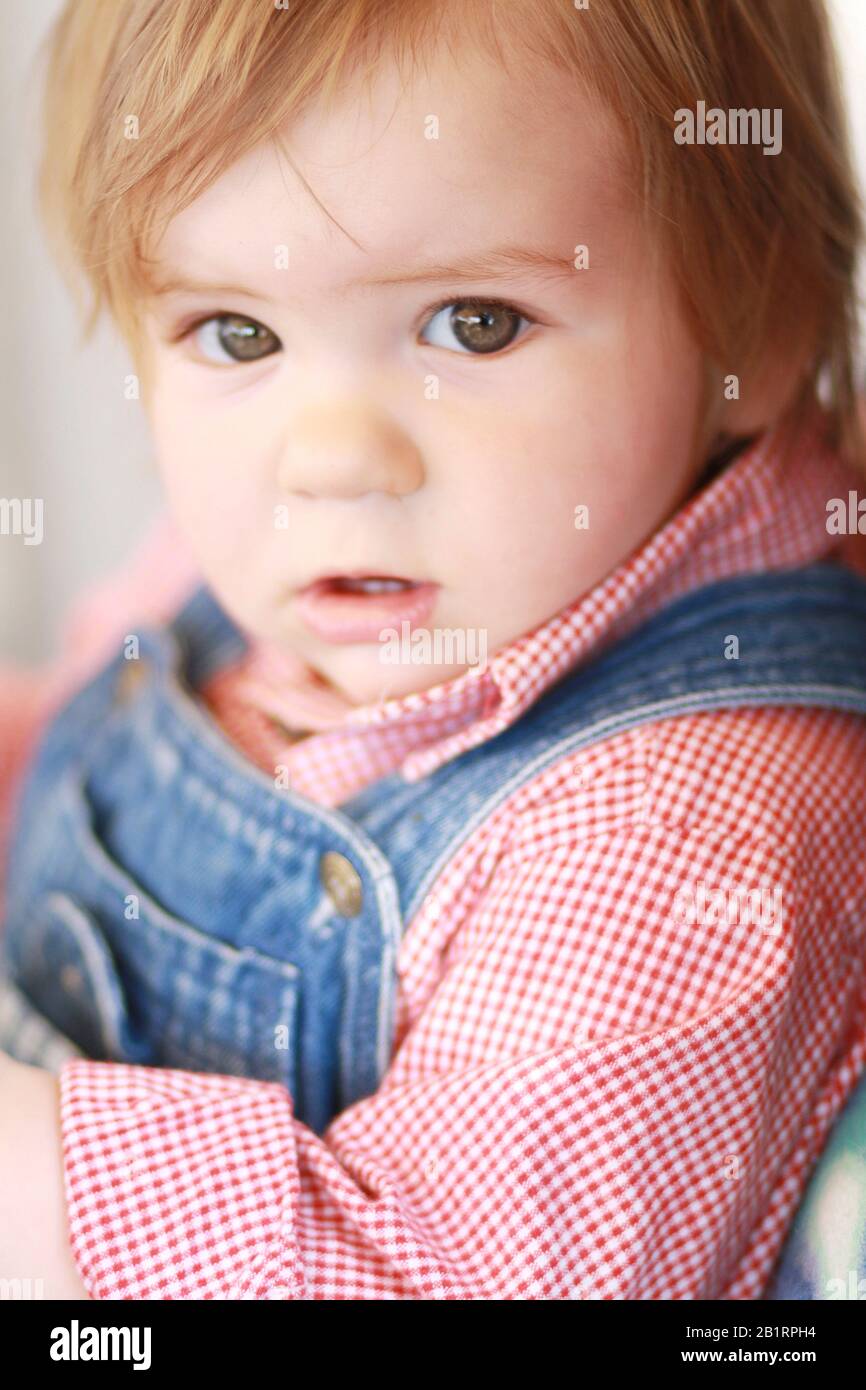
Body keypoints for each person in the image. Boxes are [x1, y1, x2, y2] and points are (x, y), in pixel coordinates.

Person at [1, 0, 865, 1300]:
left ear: (756, 318)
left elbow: (440, 1275)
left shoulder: (683, 831)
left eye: (473, 323)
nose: (332, 454)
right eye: (238, 334)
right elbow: (75, 725)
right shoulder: (298, 567)